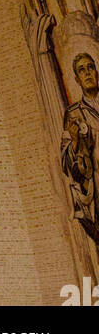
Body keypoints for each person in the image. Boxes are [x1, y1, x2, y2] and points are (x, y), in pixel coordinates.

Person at [61, 52, 99, 245]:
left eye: (90, 67)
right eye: (82, 70)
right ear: (76, 78)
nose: (87, 73)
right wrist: (75, 139)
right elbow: (64, 158)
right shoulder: (73, 113)